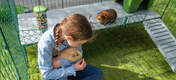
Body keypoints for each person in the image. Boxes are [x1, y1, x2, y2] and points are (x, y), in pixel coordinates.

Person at [38, 13, 103, 80]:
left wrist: (60, 62)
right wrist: (73, 68)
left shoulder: (72, 33)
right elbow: (47, 74)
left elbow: (78, 54)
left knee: (97, 73)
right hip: (56, 73)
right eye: (79, 43)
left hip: (72, 66)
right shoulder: (45, 43)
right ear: (69, 38)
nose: (80, 45)